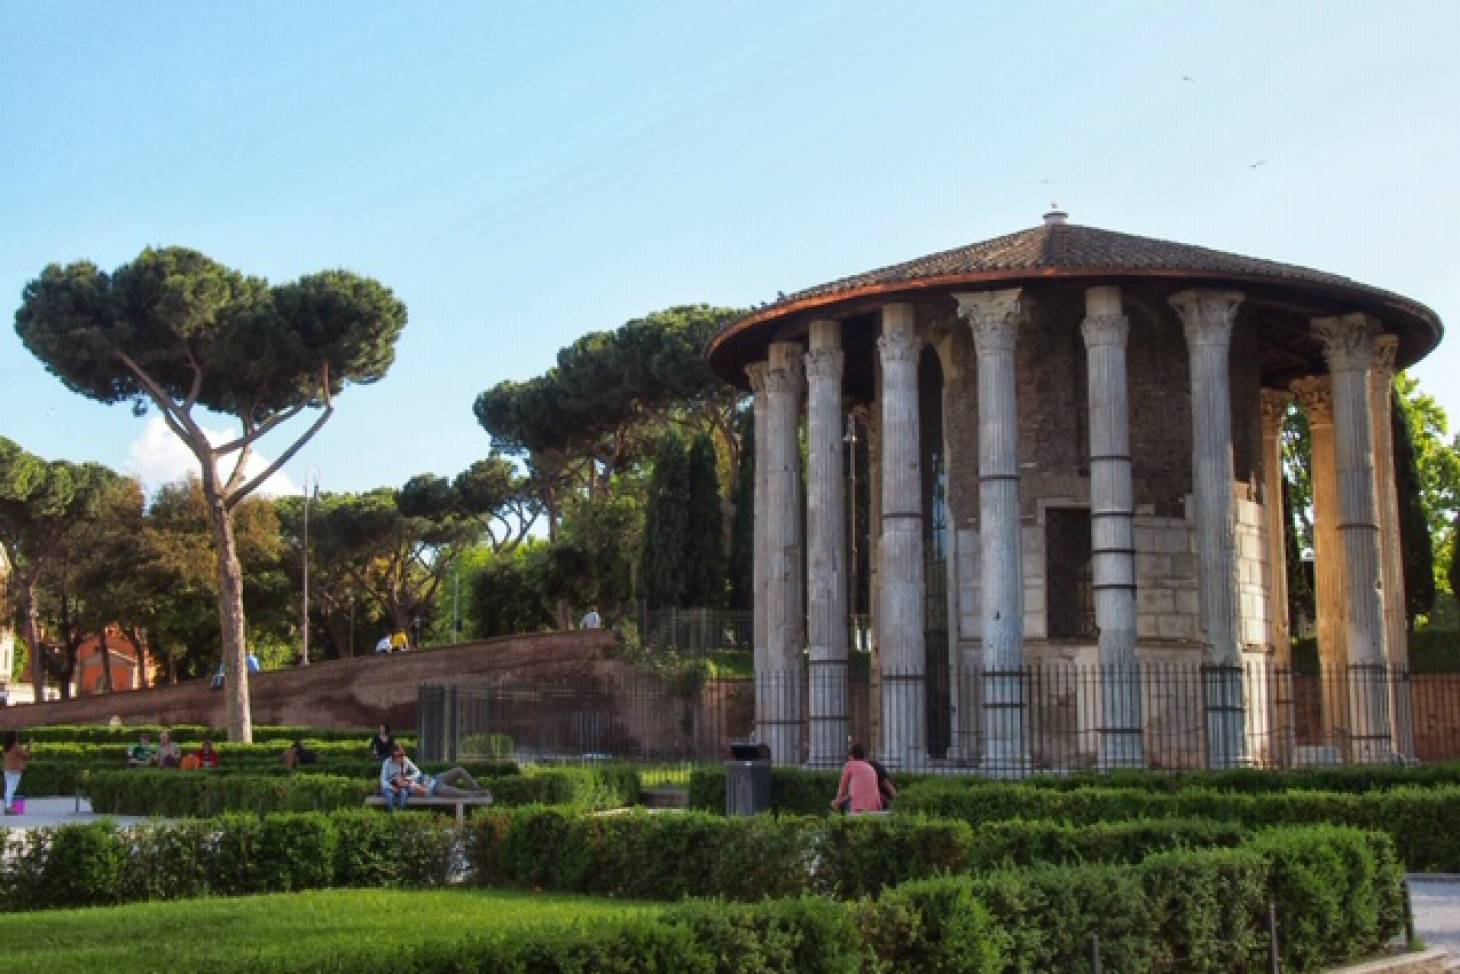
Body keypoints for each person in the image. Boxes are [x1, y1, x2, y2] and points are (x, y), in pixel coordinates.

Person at [379, 745, 490, 811]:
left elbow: (418, 772)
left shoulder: (405, 763)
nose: (403, 757)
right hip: (435, 789)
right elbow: (384, 781)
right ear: (394, 757)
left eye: (403, 754)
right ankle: (477, 795)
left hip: (436, 778)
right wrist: (405, 784)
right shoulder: (405, 786)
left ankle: (477, 789)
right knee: (456, 792)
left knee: (459, 770)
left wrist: (407, 778)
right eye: (400, 756)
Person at [830, 742, 884, 815]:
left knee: (839, 806)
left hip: (857, 807)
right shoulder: (870, 767)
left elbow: (842, 790)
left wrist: (836, 802)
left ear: (851, 756)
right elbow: (853, 793)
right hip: (875, 807)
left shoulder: (850, 765)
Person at [3, 731, 30, 815]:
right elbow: (26, 756)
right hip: (15, 771)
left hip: (7, 770)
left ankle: (7, 806)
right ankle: (8, 808)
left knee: (8, 789)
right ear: (14, 737)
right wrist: (30, 746)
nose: (18, 737)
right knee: (11, 789)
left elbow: (19, 753)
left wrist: (26, 747)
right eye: (16, 735)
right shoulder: (16, 746)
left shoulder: (6, 746)